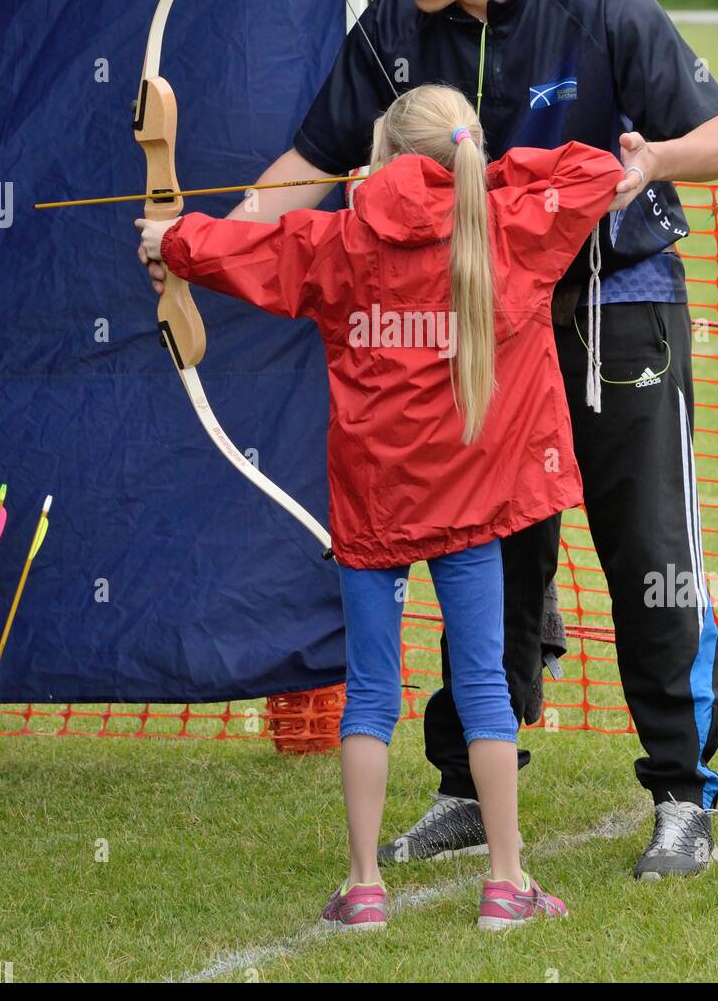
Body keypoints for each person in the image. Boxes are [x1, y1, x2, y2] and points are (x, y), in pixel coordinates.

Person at [141, 0, 718, 881]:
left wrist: (648, 159)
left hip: (613, 307)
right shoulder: (394, 23)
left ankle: (678, 795)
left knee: (644, 548)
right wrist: (213, 234)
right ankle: (471, 785)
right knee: (484, 543)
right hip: (474, 325)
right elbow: (315, 161)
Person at [136, 83, 624, 930]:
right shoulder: (508, 226)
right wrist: (486, 167)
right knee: (482, 686)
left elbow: (248, 251)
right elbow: (595, 168)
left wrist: (173, 240)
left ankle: (364, 888)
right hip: (471, 506)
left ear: (383, 157)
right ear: (458, 155)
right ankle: (507, 884)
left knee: (369, 693)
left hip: (374, 509)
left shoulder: (339, 239)